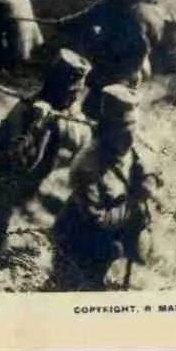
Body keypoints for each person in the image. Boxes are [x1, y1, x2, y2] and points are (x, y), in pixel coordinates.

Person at [0, 49, 94, 249]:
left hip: (24, 189)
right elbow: (21, 161)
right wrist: (40, 126)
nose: (73, 98)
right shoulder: (26, 112)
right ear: (54, 88)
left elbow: (80, 140)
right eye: (70, 92)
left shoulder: (66, 112)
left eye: (76, 93)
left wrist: (58, 124)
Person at [51, 84, 154, 291]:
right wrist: (134, 206)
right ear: (109, 131)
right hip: (78, 245)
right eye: (125, 131)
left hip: (109, 241)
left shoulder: (129, 143)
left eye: (134, 129)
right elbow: (96, 219)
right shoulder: (87, 167)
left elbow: (149, 163)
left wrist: (148, 178)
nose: (131, 139)